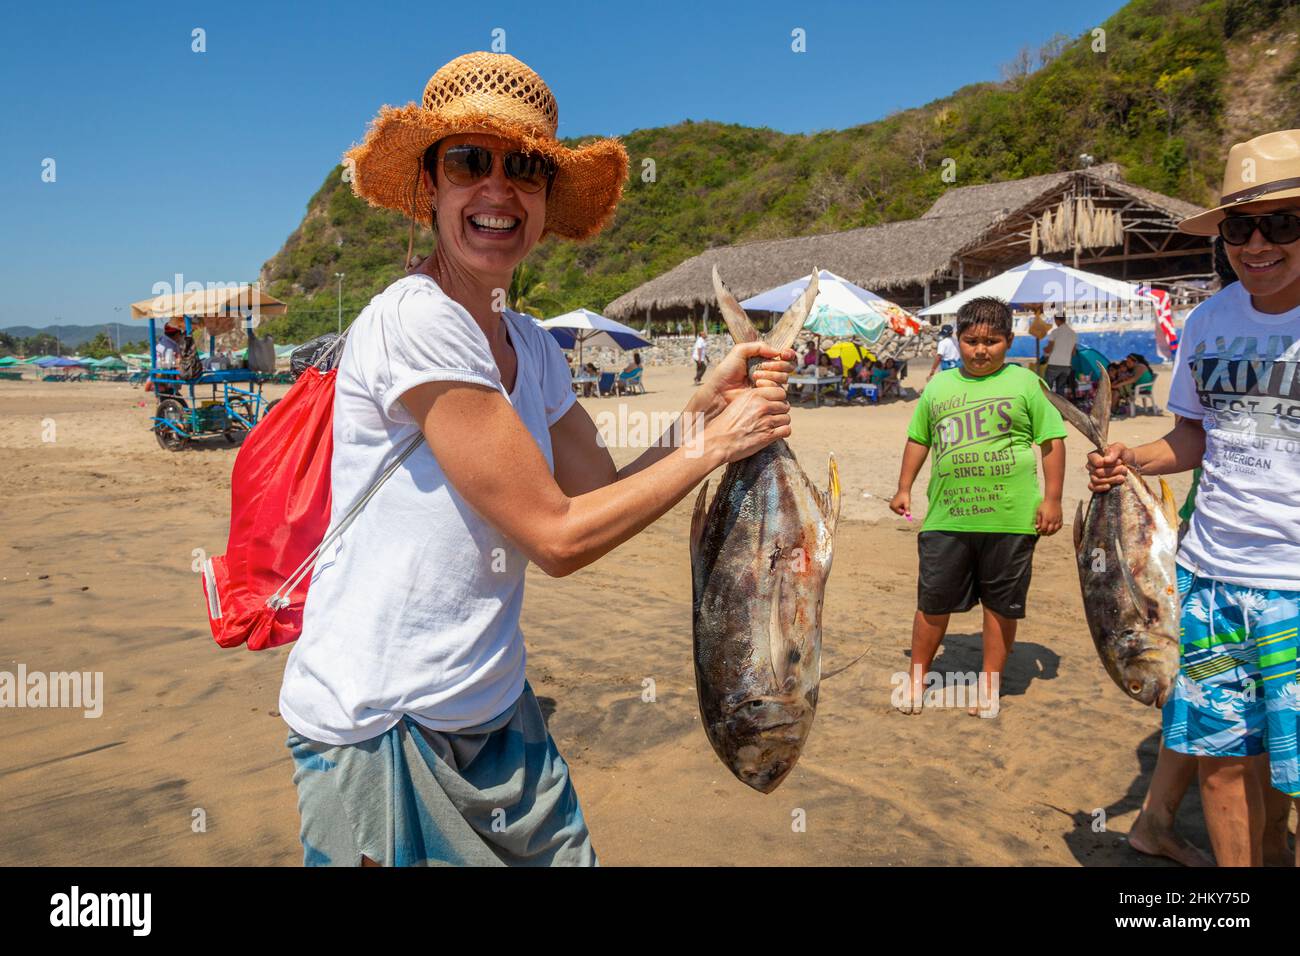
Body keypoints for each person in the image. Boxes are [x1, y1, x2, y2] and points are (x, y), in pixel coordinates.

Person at [277, 52, 797, 868]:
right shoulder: (415, 320)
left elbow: (600, 494)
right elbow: (556, 539)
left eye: (524, 168)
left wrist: (705, 407)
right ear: (431, 190)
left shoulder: (529, 342)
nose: (497, 188)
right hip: (381, 729)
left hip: (495, 709)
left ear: (547, 203)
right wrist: (718, 445)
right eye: (467, 161)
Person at [1088, 129, 1300, 867]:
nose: (1258, 243)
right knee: (1223, 759)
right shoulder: (1209, 323)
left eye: (1282, 224)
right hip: (1208, 579)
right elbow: (1193, 439)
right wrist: (1130, 457)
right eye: (1241, 227)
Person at [890, 296, 1066, 718]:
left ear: (1008, 341)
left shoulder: (1026, 384)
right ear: (958, 340)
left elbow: (1052, 441)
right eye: (971, 341)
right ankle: (917, 678)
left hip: (1011, 519)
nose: (981, 350)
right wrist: (903, 488)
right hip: (947, 517)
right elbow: (919, 439)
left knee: (1001, 607)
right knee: (932, 602)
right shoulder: (940, 386)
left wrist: (1053, 498)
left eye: (992, 341)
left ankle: (988, 686)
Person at [1041, 312, 1077, 395]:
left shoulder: (1055, 332)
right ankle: (1059, 407)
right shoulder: (1073, 333)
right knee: (1060, 390)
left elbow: (1049, 349)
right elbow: (1074, 352)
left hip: (1054, 364)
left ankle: (1047, 406)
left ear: (1057, 320)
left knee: (1047, 388)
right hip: (1066, 366)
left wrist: (1045, 349)